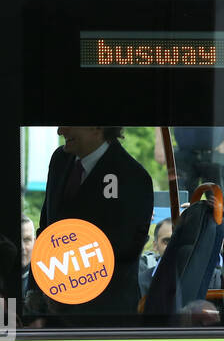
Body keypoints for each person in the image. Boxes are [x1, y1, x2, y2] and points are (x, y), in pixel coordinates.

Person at [36, 126, 153, 317]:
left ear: (97, 127)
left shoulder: (134, 178)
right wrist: (37, 289)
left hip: (103, 317)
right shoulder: (60, 160)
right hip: (52, 311)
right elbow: (46, 229)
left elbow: (123, 252)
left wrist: (65, 292)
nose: (60, 130)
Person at [138, 218, 172, 297]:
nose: (174, 246)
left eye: (180, 240)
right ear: (155, 246)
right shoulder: (140, 283)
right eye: (167, 241)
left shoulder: (202, 279)